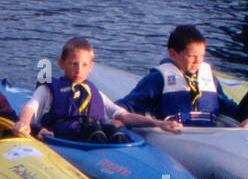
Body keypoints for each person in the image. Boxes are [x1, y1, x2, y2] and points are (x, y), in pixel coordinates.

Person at [15, 37, 177, 141]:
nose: (79, 70)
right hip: (64, 138)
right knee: (95, 132)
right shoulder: (48, 90)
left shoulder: (95, 92)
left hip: (94, 136)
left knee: (114, 132)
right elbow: (30, 109)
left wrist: (157, 123)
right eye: (73, 64)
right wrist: (24, 122)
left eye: (84, 65)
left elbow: (125, 115)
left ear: (90, 67)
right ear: (61, 64)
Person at [115, 24, 248, 128]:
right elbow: (126, 105)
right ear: (173, 54)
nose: (198, 61)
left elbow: (226, 106)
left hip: (209, 135)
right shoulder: (158, 79)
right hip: (177, 135)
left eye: (202, 56)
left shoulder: (209, 78)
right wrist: (119, 119)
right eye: (192, 56)